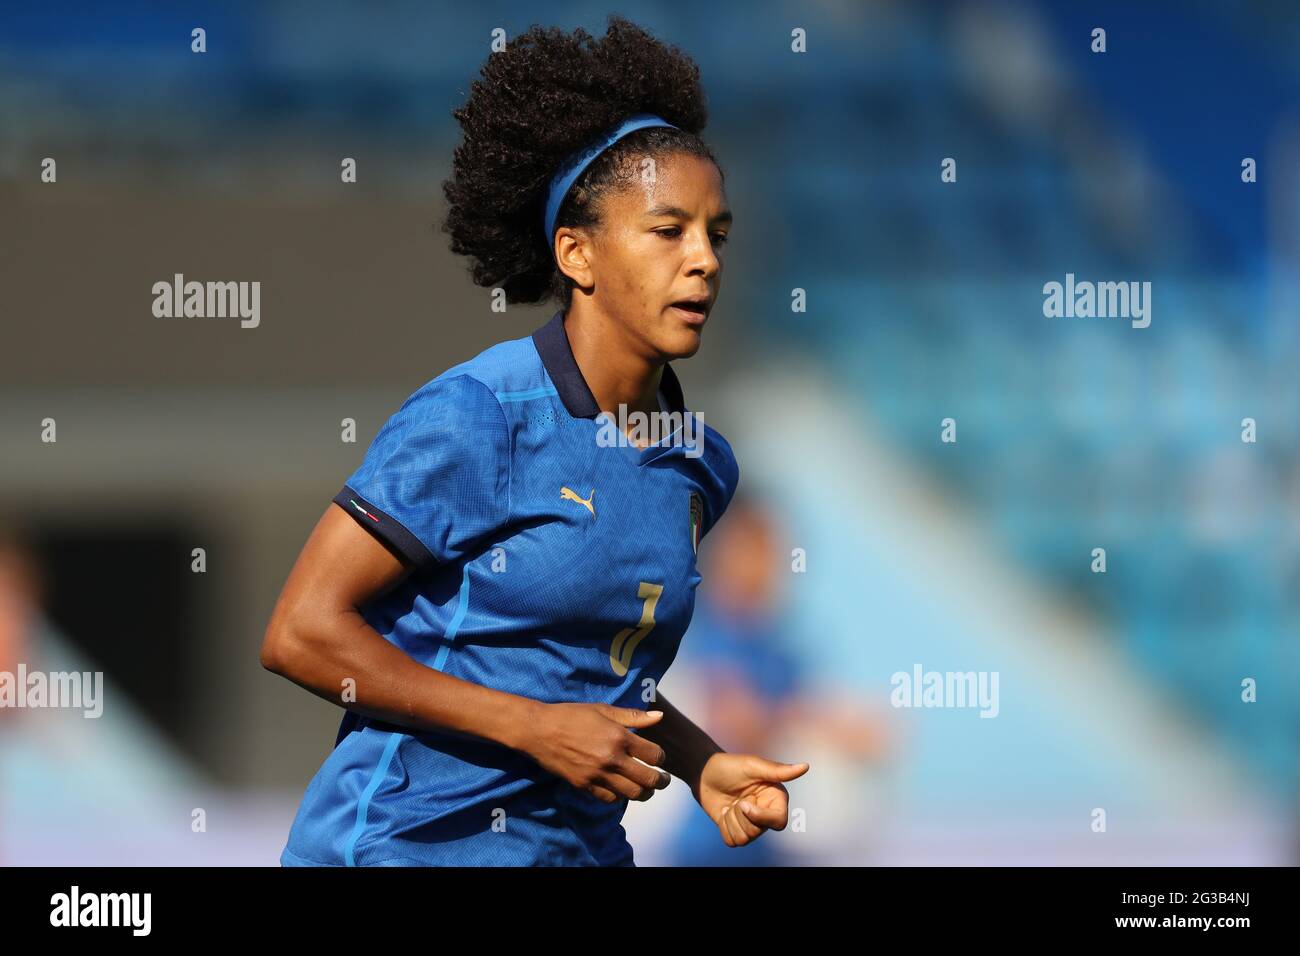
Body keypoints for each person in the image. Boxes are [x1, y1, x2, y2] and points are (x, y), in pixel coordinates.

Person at [262, 16, 807, 867]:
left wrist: (702, 767)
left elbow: (593, 675)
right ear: (576, 253)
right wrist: (535, 731)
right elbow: (300, 632)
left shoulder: (701, 464)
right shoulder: (478, 414)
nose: (704, 260)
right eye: (669, 232)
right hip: (401, 849)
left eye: (718, 235)